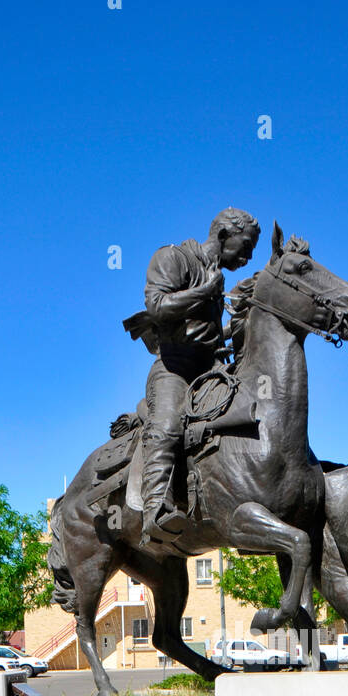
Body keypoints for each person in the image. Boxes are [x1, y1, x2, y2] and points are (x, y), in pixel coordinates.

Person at [125, 208, 260, 546]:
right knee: (168, 426)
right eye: (245, 247)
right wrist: (205, 291)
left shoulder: (218, 276)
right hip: (174, 368)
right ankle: (155, 510)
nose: (248, 256)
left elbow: (208, 334)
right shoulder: (173, 257)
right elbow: (157, 306)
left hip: (210, 370)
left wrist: (243, 322)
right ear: (224, 235)